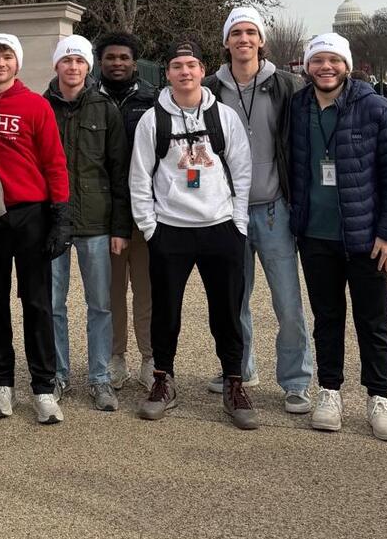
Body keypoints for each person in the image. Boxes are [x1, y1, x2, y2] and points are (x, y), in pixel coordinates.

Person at [289, 33, 387, 441]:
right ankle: (329, 391)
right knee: (327, 319)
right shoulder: (298, 108)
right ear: (308, 67)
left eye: (333, 60)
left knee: (373, 322)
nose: (325, 67)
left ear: (346, 65)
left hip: (366, 238)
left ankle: (379, 397)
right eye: (317, 60)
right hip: (315, 235)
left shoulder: (376, 108)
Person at [129, 39, 258, 430]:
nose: (184, 72)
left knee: (227, 310)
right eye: (177, 66)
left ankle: (234, 382)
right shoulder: (153, 120)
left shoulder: (223, 117)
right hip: (171, 230)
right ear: (167, 74)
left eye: (191, 65)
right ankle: (163, 380)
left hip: (220, 226)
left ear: (203, 70)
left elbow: (242, 170)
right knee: (166, 311)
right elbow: (139, 177)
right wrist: (150, 228)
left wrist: (238, 223)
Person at [201, 7, 313, 413]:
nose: (244, 39)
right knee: (233, 300)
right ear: (226, 41)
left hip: (273, 208)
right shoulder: (210, 87)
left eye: (250, 32)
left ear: (261, 40)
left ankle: (296, 379)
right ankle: (240, 368)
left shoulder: (287, 85)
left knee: (288, 302)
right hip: (227, 210)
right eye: (236, 33)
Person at [0, 33, 71, 424]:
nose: (0, 63)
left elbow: (54, 161)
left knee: (37, 301)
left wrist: (61, 214)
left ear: (17, 63)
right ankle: (2, 383)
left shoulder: (35, 105)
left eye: (7, 57)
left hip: (31, 213)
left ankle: (43, 386)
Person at [43, 35, 130, 411]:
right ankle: (57, 374)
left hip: (97, 223)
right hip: (52, 222)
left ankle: (99, 377)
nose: (73, 67)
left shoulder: (105, 108)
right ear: (57, 66)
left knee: (100, 305)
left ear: (88, 67)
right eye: (67, 60)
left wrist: (120, 228)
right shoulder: (42, 106)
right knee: (53, 304)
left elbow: (119, 170)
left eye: (79, 61)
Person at [94, 31, 156, 390]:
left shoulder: (154, 100)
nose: (117, 63)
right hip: (104, 214)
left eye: (124, 57)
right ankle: (116, 356)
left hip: (144, 212)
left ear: (134, 62)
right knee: (111, 293)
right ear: (100, 61)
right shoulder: (90, 99)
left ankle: (150, 358)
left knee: (147, 292)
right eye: (110, 57)